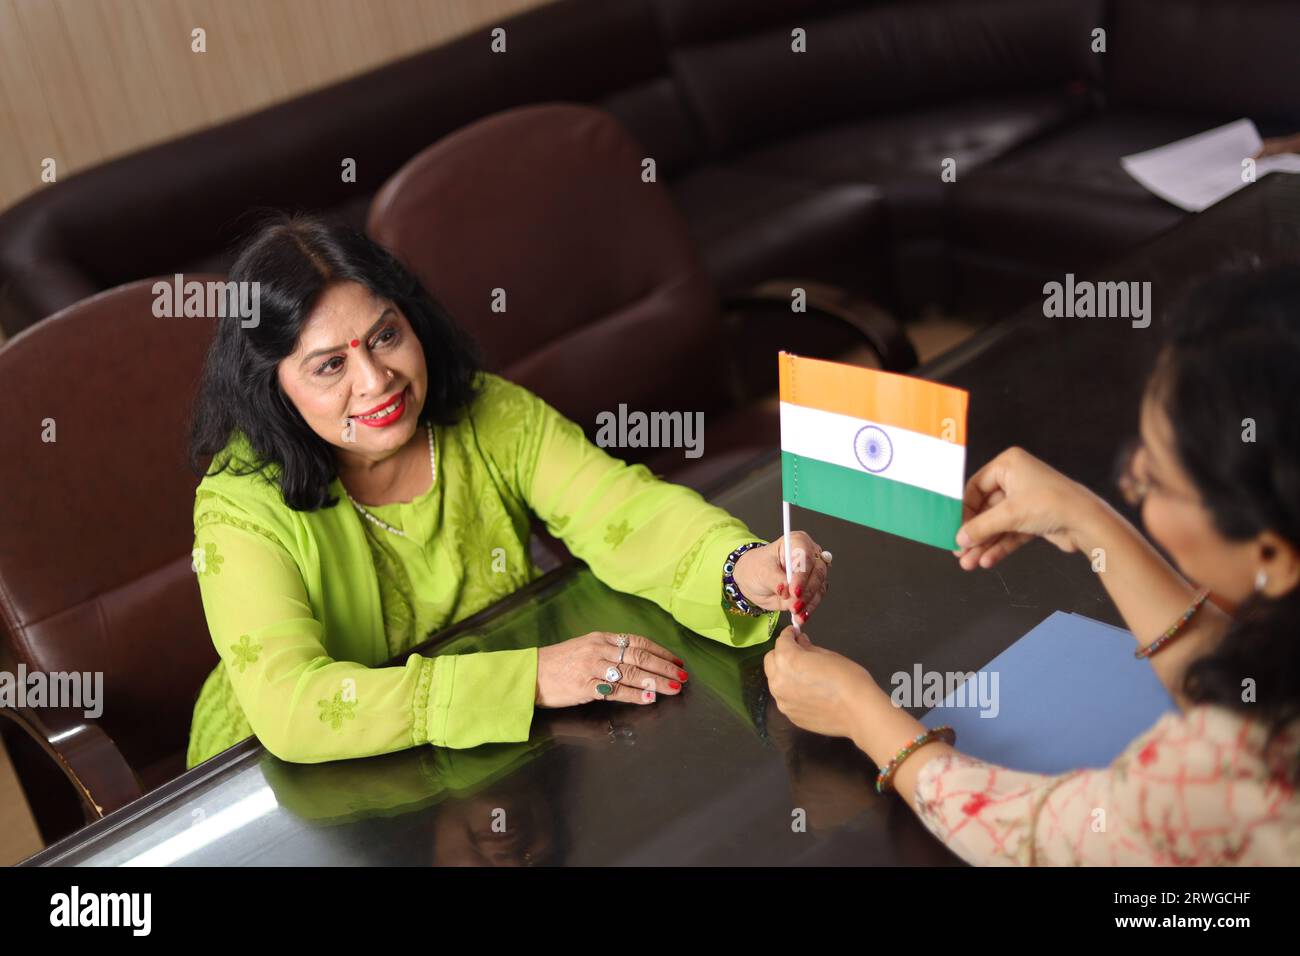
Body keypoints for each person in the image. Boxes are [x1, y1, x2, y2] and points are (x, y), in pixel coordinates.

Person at [185, 212, 830, 768]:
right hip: (284, 786)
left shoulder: (487, 413)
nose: (377, 380)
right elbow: (295, 706)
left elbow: (621, 510)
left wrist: (737, 569)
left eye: (386, 336)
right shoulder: (240, 505)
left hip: (482, 750)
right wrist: (531, 678)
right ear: (272, 386)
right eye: (330, 365)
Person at [765, 265, 1300, 865]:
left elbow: (1035, 836)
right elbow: (1241, 685)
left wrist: (861, 713)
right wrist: (1088, 520)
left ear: (1273, 555)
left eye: (1154, 479)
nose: (1131, 484)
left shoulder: (1229, 776)